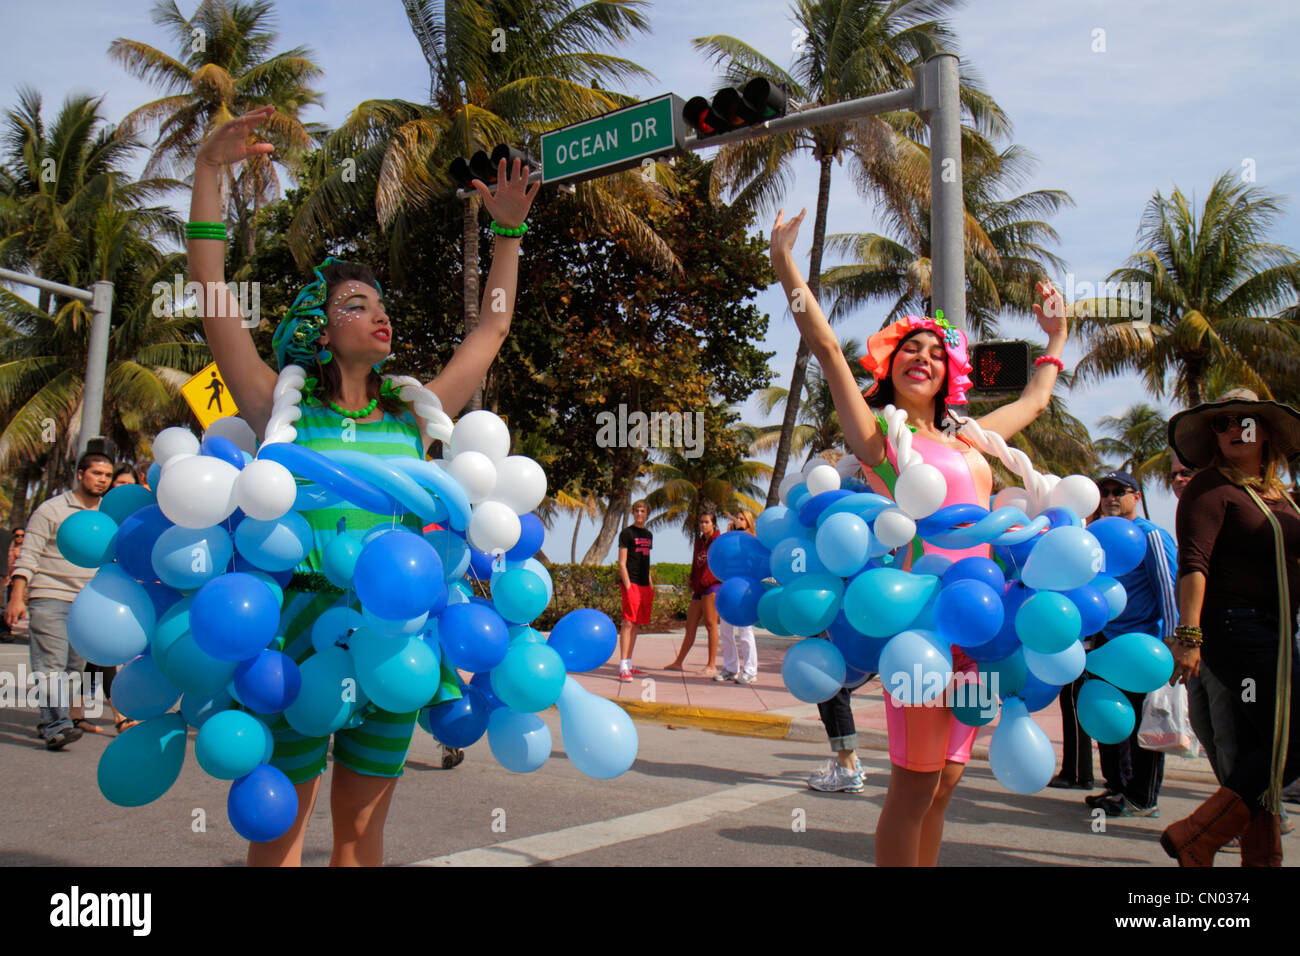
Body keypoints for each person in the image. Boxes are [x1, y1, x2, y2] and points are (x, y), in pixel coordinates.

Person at [190, 105, 538, 866]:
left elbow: (492, 331)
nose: (378, 316)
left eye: (381, 305)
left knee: (359, 837)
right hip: (295, 641)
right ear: (320, 330)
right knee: (279, 832)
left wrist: (508, 233)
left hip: (392, 642)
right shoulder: (280, 403)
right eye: (357, 305)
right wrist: (209, 172)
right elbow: (213, 296)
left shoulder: (416, 412)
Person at [770, 206, 1066, 866]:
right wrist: (786, 265)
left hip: (985, 628)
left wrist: (1055, 337)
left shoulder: (971, 439)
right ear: (890, 366)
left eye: (935, 352)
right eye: (910, 350)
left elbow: (1037, 401)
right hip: (923, 633)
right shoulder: (881, 445)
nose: (922, 358)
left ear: (950, 371)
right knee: (913, 784)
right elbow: (824, 349)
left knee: (948, 785)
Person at [1161, 388, 1300, 866]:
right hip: (1237, 632)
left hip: (1278, 630)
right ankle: (1196, 836)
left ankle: (1260, 860)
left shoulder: (1280, 495)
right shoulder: (1209, 489)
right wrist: (1190, 636)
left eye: (1245, 420)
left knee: (1256, 748)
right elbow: (1193, 565)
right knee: (1290, 739)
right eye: (1221, 424)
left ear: (1264, 431)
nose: (1232, 429)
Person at [1080, 471, 1176, 818]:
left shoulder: (1151, 536)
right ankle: (1117, 786)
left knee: (1142, 722)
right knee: (1106, 714)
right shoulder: (1096, 537)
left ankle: (1142, 796)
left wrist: (1176, 640)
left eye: (1118, 491)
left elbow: (1168, 589)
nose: (1110, 497)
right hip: (1104, 643)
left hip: (1142, 643)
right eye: (1104, 492)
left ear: (1136, 496)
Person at [4, 452, 114, 748]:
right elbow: (28, 555)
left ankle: (52, 721)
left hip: (88, 602)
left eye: (107, 475)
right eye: (96, 473)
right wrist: (17, 597)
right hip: (50, 595)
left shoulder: (108, 514)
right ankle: (57, 725)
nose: (102, 479)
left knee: (73, 669)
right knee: (50, 664)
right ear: (80, 474)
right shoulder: (51, 510)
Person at [665, 511, 722, 676]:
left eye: (707, 522)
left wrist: (708, 580)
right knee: (690, 626)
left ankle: (711, 664)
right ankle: (678, 662)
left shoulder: (718, 541)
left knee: (711, 624)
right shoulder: (699, 541)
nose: (703, 525)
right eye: (701, 522)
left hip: (712, 587)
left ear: (713, 524)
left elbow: (719, 563)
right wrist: (692, 581)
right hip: (698, 588)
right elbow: (695, 563)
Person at [716, 510, 759, 684]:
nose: (739, 521)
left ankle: (750, 670)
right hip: (728, 588)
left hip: (745, 590)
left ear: (748, 522)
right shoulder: (731, 538)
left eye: (742, 519)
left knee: (745, 632)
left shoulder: (752, 541)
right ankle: (730, 668)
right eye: (737, 518)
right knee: (726, 631)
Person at [616, 500, 654, 683]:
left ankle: (629, 663)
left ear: (647, 514)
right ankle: (623, 665)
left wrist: (651, 585)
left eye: (643, 511)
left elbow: (647, 562)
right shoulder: (626, 534)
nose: (640, 514)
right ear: (633, 513)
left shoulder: (648, 535)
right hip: (630, 584)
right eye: (637, 511)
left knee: (637, 623)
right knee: (628, 623)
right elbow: (621, 563)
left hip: (644, 584)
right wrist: (629, 585)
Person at [1, 526, 26, 642]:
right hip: (9, 577)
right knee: (6, 605)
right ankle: (5, 630)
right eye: (17, 535)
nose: (19, 538)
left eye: (22, 535)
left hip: (23, 579)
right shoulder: (10, 548)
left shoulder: (25, 550)